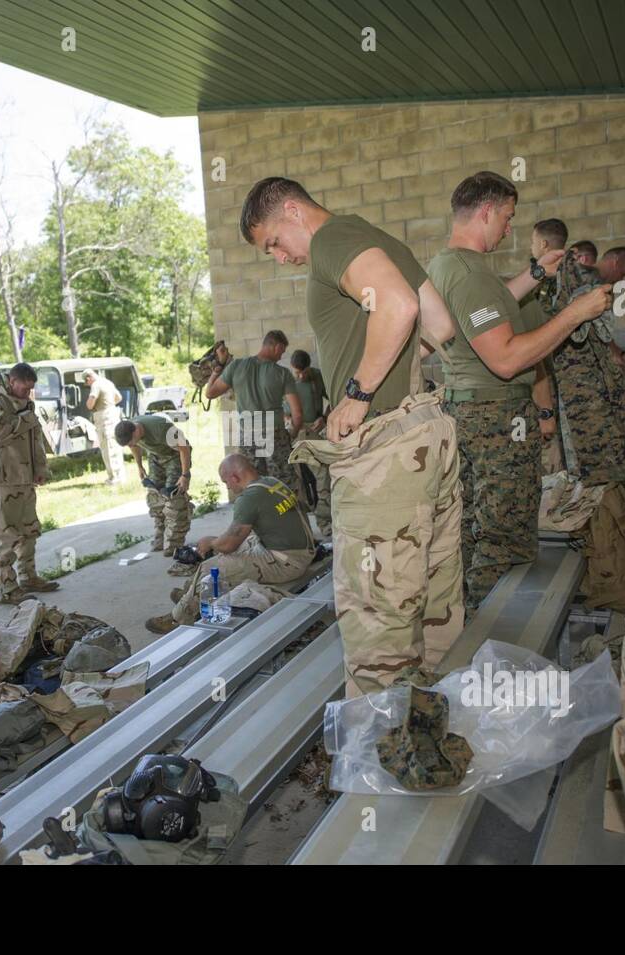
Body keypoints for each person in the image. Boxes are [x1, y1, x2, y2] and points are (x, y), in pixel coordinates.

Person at [240, 176, 464, 698]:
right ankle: (435, 731)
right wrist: (388, 372)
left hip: (383, 457)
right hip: (422, 434)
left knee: (377, 619)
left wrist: (360, 393)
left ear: (293, 211)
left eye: (273, 241)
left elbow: (401, 309)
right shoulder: (378, 238)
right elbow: (440, 325)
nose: (279, 257)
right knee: (434, 606)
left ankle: (379, 761)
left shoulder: (331, 240)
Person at [426, 171, 611, 611]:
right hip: (496, 421)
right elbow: (506, 358)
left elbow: (487, 311)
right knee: (503, 540)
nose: (509, 228)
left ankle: (471, 631)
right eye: (506, 218)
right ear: (486, 212)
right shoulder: (471, 274)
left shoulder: (446, 265)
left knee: (474, 527)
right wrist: (576, 314)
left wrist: (534, 274)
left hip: (469, 413)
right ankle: (499, 644)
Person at [145, 454, 316, 634]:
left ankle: (178, 618)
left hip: (288, 563)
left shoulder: (249, 498)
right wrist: (217, 541)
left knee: (211, 568)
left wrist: (211, 542)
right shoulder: (270, 482)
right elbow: (238, 534)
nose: (228, 487)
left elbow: (229, 545)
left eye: (226, 482)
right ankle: (194, 594)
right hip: (301, 550)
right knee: (235, 548)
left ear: (234, 477)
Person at [538, 239, 625, 486]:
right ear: (616, 261)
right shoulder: (582, 281)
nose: (622, 278)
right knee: (584, 444)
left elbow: (599, 334)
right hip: (575, 379)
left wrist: (620, 355)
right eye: (623, 272)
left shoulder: (590, 284)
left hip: (582, 378)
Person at [0, 362, 59, 603]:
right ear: (12, 382)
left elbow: (36, 440)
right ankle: (8, 588)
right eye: (25, 388)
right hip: (1, 483)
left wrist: (40, 468)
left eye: (32, 388)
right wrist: (27, 419)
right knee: (3, 536)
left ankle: (28, 577)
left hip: (24, 480)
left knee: (29, 531)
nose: (28, 392)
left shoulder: (25, 404)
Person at [205, 330, 303, 497]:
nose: (281, 356)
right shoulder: (282, 373)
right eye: (282, 351)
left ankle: (258, 518)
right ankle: (284, 520)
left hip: (248, 435)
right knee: (282, 485)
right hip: (275, 434)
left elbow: (210, 393)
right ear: (276, 346)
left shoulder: (236, 367)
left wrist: (219, 366)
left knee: (252, 485)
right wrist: (291, 434)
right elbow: (298, 414)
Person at [114, 416, 192, 557]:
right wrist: (139, 466)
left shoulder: (161, 429)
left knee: (173, 496)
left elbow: (184, 448)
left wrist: (185, 475)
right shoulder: (131, 431)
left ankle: (174, 542)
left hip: (175, 455)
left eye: (130, 442)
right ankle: (160, 536)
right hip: (156, 456)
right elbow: (135, 446)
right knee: (155, 494)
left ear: (136, 431)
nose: (130, 446)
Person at [288, 349, 332, 537]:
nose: (300, 376)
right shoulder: (286, 382)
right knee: (310, 479)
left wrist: (324, 417)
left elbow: (333, 398)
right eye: (297, 372)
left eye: (303, 372)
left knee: (324, 473)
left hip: (314, 431)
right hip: (296, 434)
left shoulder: (316, 377)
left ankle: (326, 523)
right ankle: (318, 525)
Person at [83, 368, 125, 485]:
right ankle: (120, 476)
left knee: (107, 448)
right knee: (116, 446)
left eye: (87, 383)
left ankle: (113, 478)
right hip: (113, 414)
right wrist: (108, 403)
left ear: (88, 378)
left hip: (104, 417)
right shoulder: (107, 382)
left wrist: (96, 404)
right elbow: (119, 397)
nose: (88, 385)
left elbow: (90, 405)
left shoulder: (96, 385)